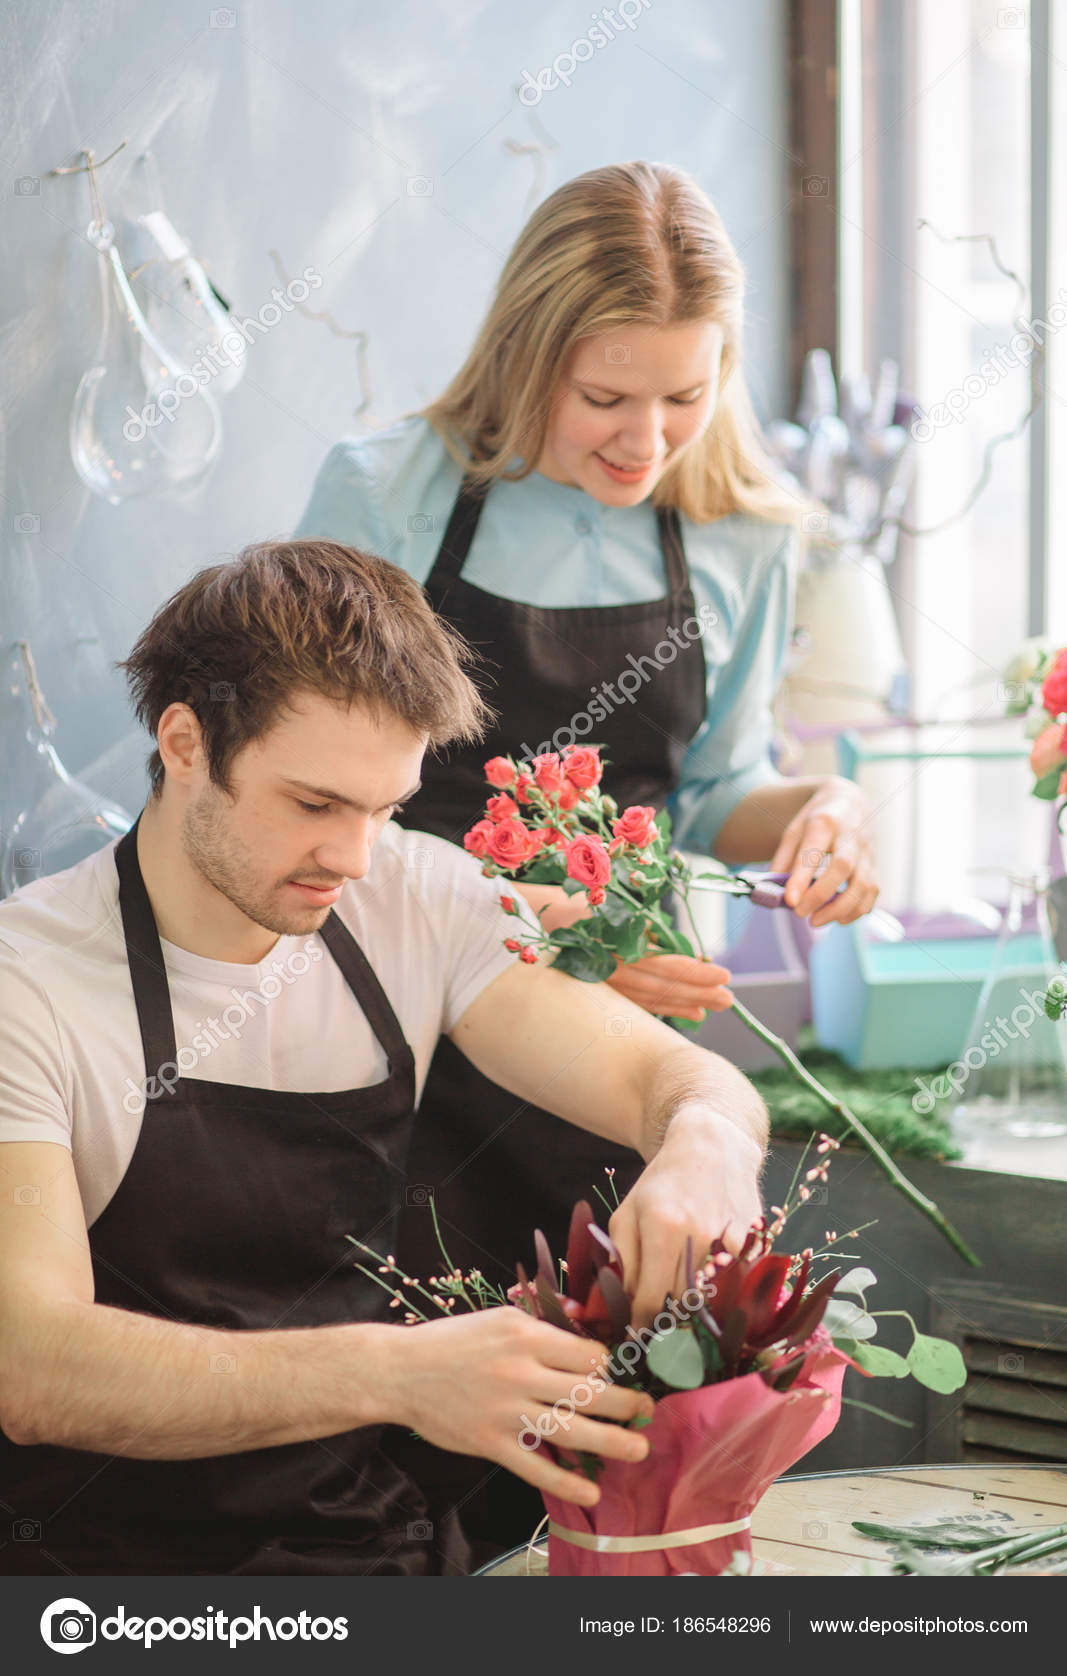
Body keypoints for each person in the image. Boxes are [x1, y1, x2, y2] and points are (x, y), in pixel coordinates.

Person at [0, 539, 770, 1579]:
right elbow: (34, 1366)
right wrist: (395, 1374)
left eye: (386, 808)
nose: (354, 858)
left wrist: (706, 1145)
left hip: (368, 1553)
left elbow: (668, 1080)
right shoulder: (27, 982)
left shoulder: (415, 897)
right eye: (314, 804)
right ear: (184, 743)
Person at [294, 162, 877, 1331]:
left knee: (613, 1394)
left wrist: (831, 809)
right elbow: (303, 809)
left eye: (684, 395)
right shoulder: (384, 496)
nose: (644, 441)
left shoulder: (743, 533)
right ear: (526, 353)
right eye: (604, 395)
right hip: (387, 1051)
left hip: (614, 1074)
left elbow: (710, 789)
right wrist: (528, 937)